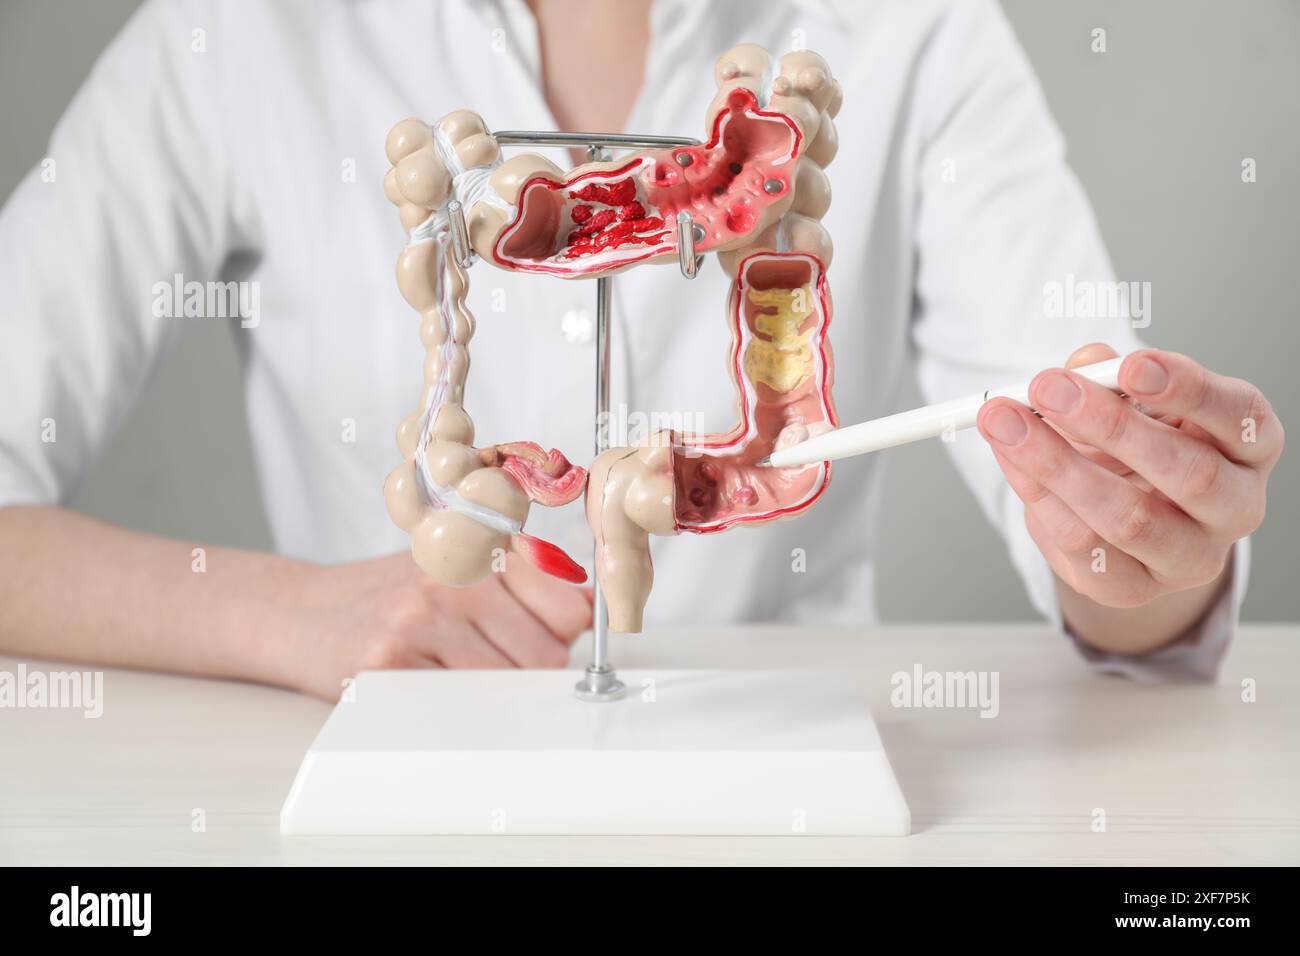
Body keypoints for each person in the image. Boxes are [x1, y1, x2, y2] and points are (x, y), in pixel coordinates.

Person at [0, 0, 1283, 699]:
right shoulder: (235, 34)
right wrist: (287, 611)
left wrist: (1142, 528)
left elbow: (1123, 582)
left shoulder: (914, 29)